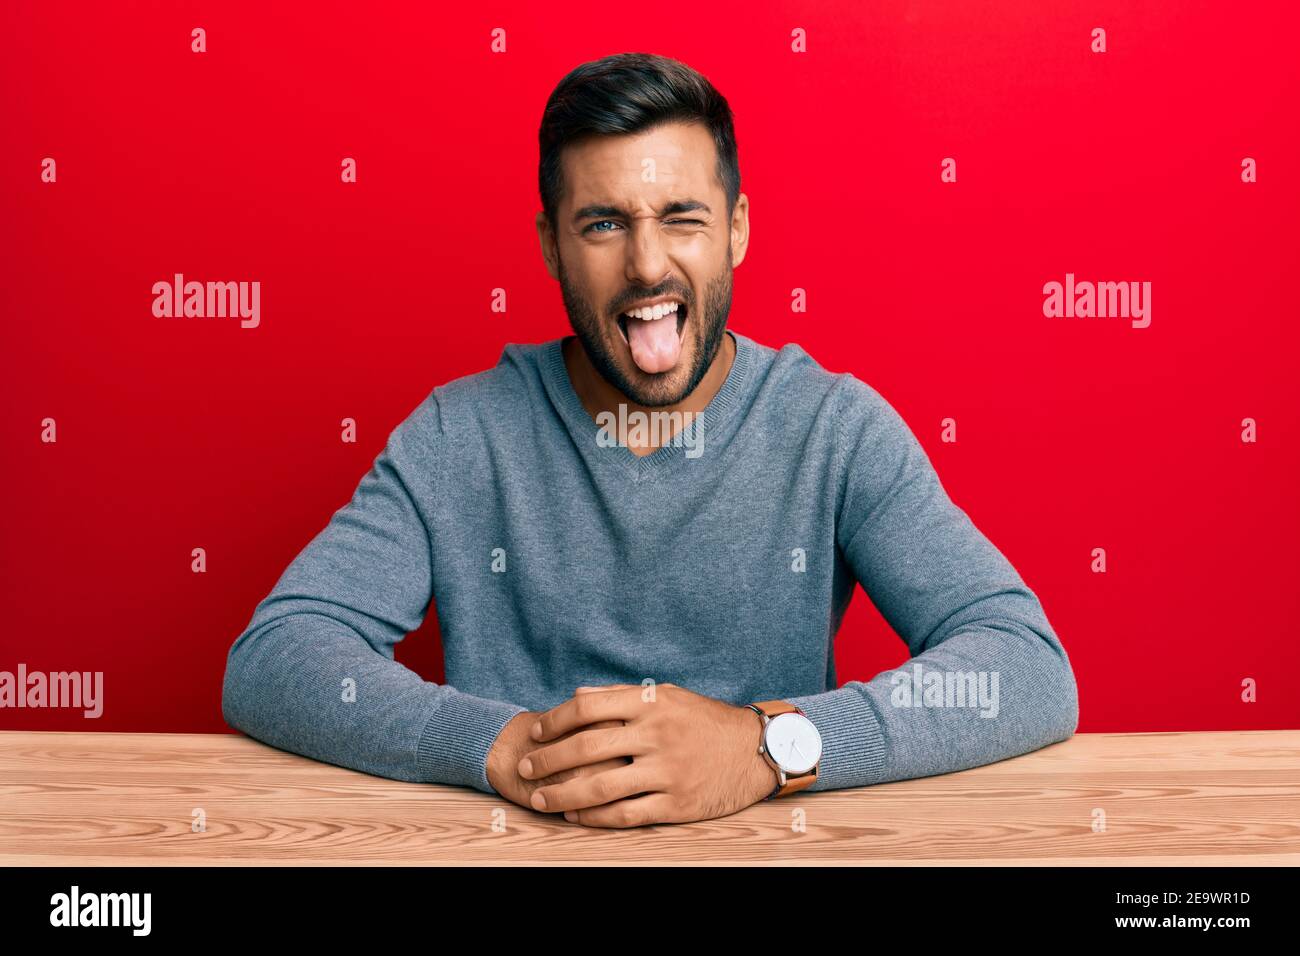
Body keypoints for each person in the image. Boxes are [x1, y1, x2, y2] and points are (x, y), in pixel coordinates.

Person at [221, 52, 1078, 829]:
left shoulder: (833, 429)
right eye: (602, 224)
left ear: (737, 229)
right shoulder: (461, 433)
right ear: (551, 245)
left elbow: (1025, 666)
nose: (646, 265)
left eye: (682, 218)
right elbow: (276, 656)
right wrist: (499, 744)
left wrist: (763, 748)